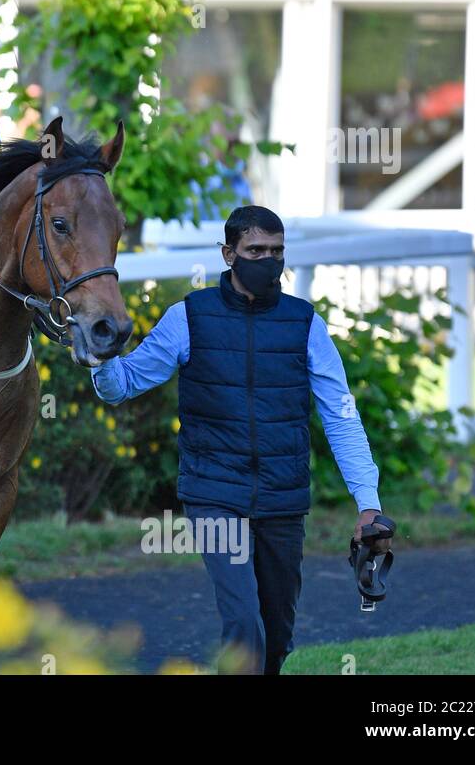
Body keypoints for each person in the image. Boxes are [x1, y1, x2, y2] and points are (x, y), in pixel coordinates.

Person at [90, 205, 391, 674]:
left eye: (276, 252)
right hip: (214, 493)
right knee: (244, 623)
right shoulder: (188, 317)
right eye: (255, 251)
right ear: (229, 254)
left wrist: (368, 505)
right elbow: (123, 384)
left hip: (283, 497)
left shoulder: (304, 323)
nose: (267, 261)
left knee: (277, 633)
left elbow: (341, 415)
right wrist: (98, 356)